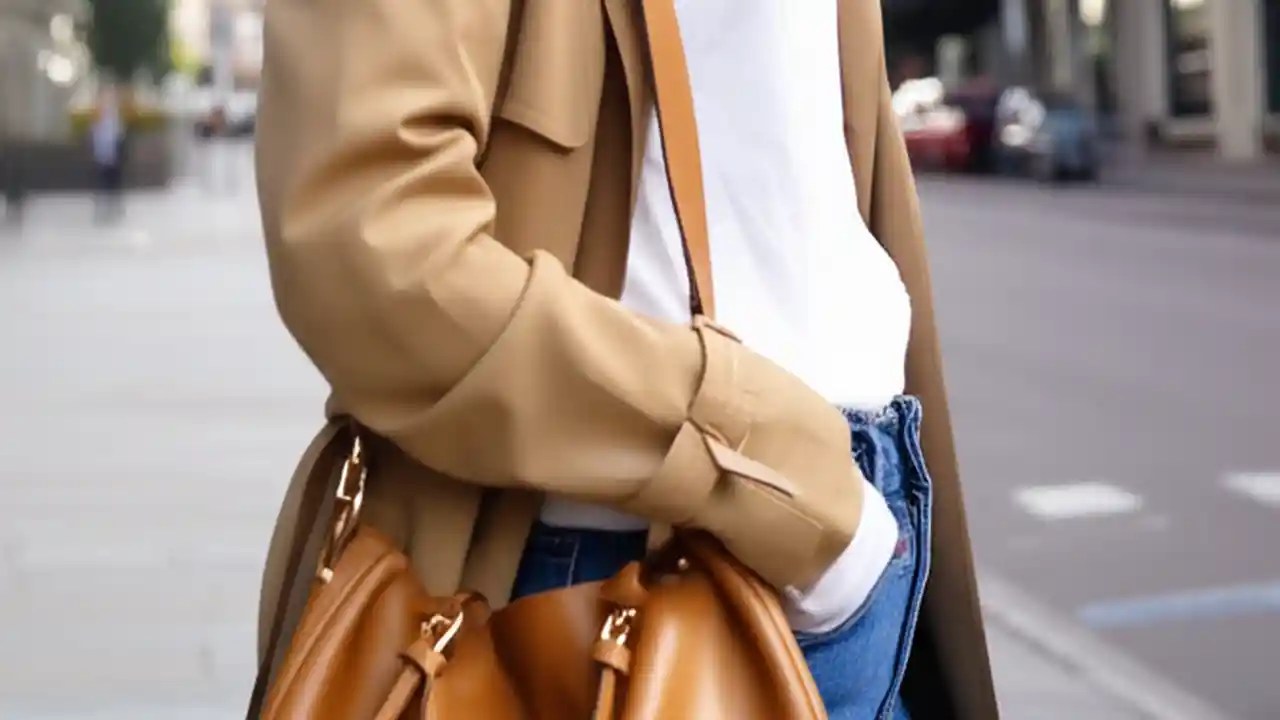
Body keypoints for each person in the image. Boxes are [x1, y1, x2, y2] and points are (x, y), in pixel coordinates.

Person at [254, 0, 997, 718]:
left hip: (856, 523)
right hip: (604, 556)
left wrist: (842, 523)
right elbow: (369, 242)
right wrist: (759, 451)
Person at [90, 87, 126, 223]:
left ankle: (113, 207)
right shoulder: (97, 116)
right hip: (102, 156)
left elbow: (119, 136)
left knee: (114, 182)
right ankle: (103, 208)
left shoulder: (116, 117)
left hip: (115, 156)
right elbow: (95, 137)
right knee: (103, 183)